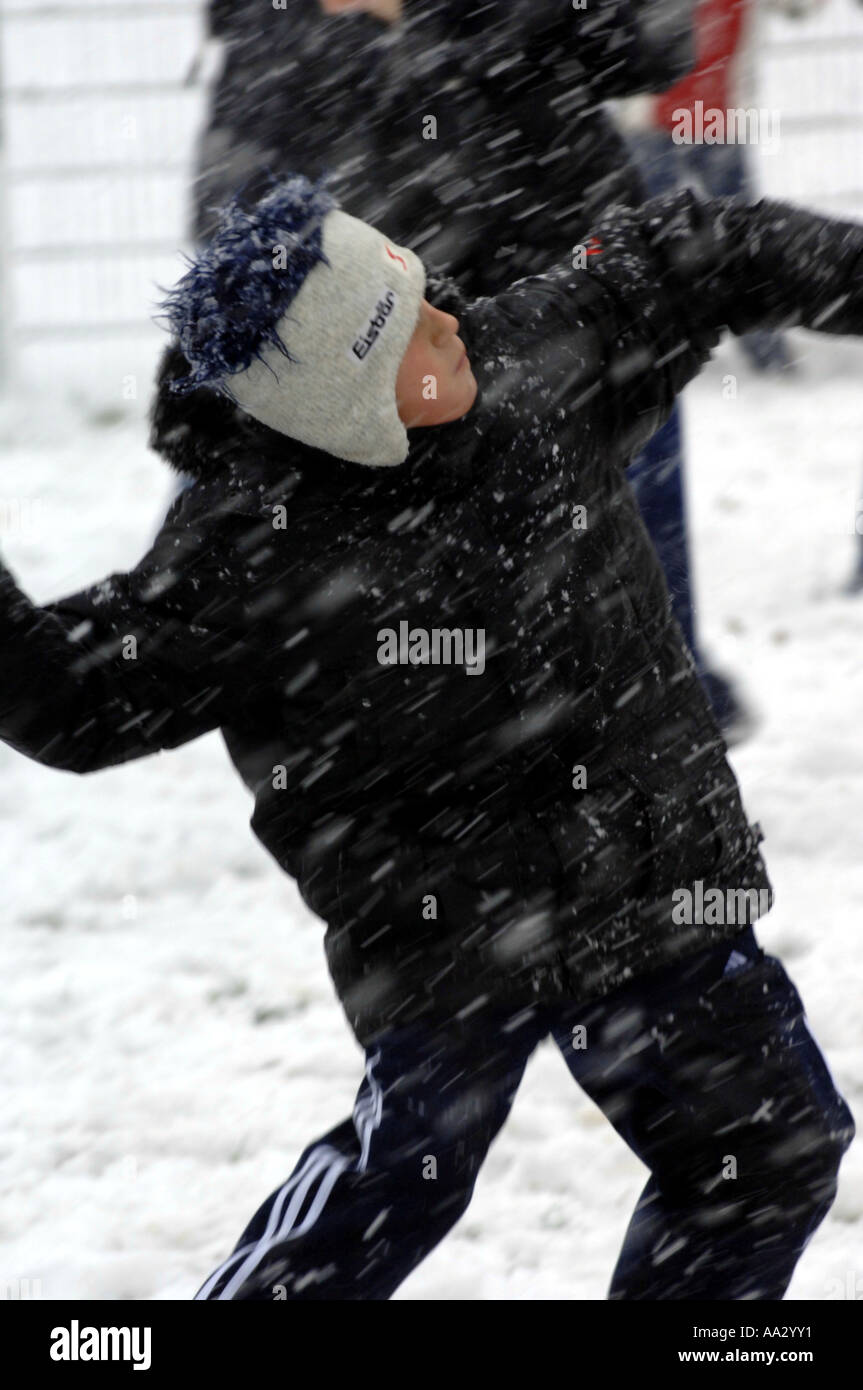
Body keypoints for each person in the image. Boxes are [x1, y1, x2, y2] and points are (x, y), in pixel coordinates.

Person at [1, 175, 857, 1300]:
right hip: (445, 924)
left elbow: (692, 249)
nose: (449, 314)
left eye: (420, 288)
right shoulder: (249, 553)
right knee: (407, 1172)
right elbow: (75, 694)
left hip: (644, 879)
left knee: (766, 1150)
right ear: (347, 403)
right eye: (404, 325)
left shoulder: (530, 368)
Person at [188, 0, 746, 736]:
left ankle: (668, 695)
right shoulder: (284, 27)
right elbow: (228, 206)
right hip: (404, 326)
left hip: (582, 279)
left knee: (635, 490)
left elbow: (656, 40)